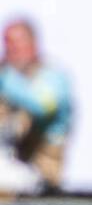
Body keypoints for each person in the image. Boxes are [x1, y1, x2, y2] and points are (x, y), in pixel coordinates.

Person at [0, 19, 73, 195]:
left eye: (17, 44)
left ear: (33, 44)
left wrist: (5, 79)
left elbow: (42, 106)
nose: (11, 51)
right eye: (7, 45)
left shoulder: (52, 77)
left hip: (41, 178)